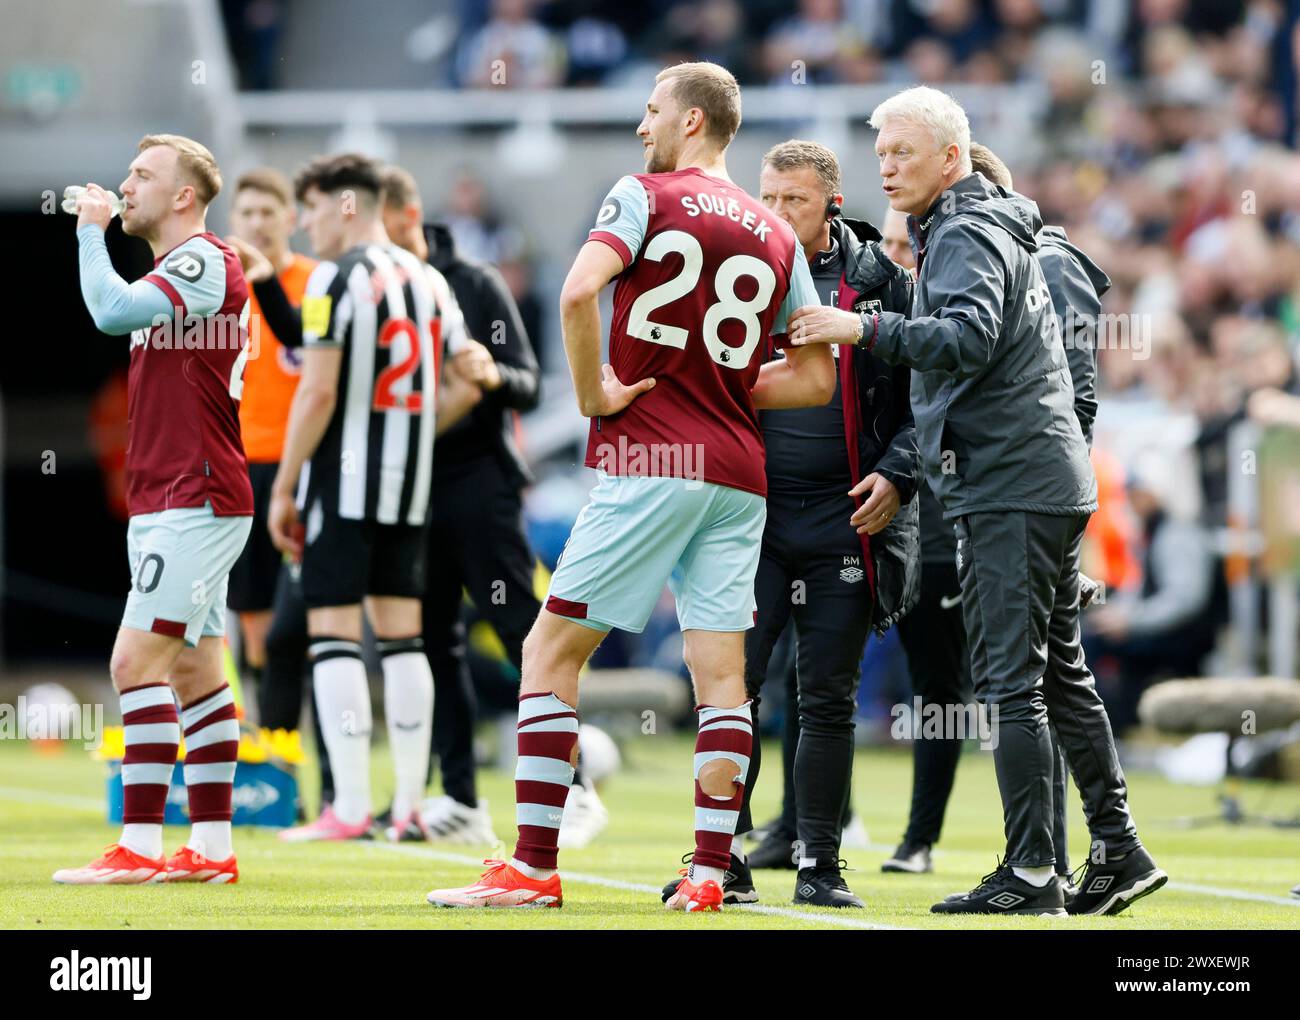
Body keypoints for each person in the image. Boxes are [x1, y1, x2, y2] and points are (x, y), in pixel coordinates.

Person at [427, 61, 835, 911]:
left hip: (651, 457)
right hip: (737, 473)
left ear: (692, 120)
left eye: (652, 112)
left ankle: (533, 867)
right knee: (723, 680)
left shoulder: (645, 195)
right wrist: (723, 387)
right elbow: (815, 381)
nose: (641, 128)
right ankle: (709, 875)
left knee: (548, 652)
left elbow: (580, 292)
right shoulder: (777, 231)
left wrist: (594, 394)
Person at [789, 85, 1167, 917]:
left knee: (1010, 683)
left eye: (904, 153)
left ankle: (1033, 871)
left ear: (952, 157)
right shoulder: (979, 225)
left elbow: (966, 337)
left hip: (1012, 482)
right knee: (1057, 672)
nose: (887, 168)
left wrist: (862, 328)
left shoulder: (963, 231)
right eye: (881, 153)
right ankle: (1120, 850)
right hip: (1037, 476)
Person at [668, 139, 917, 908]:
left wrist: (901, 477)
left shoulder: (885, 286)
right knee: (731, 689)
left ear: (832, 207)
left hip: (845, 517)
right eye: (767, 199)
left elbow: (930, 408)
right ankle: (722, 856)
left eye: (794, 203)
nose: (774, 215)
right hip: (751, 516)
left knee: (827, 696)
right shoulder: (734, 274)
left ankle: (820, 865)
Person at [57, 135, 253, 884]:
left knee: (134, 663)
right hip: (176, 494)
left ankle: (137, 848)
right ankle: (210, 849)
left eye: (143, 175)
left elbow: (109, 311)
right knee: (197, 675)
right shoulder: (185, 270)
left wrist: (87, 230)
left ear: (184, 198)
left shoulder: (201, 258)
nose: (124, 185)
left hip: (194, 496)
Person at [271, 154, 469, 842]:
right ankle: (410, 806)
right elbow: (466, 382)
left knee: (332, 632)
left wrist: (287, 481)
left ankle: (351, 806)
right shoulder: (431, 280)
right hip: (407, 486)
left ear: (347, 206)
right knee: (403, 638)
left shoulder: (333, 278)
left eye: (314, 208)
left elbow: (319, 389)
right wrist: (407, 431)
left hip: (342, 483)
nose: (306, 224)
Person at [378, 163, 548, 846]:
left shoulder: (471, 282)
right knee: (433, 643)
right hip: (411, 489)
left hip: (480, 484)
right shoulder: (373, 288)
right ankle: (459, 798)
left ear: (406, 215)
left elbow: (527, 384)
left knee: (521, 633)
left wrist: (492, 372)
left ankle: (572, 780)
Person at [223, 169, 316, 722]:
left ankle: (309, 741)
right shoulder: (222, 292)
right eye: (247, 214)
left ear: (291, 218)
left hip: (303, 469)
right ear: (233, 222)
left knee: (298, 624)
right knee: (253, 623)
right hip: (239, 469)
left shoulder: (317, 282)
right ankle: (267, 742)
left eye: (267, 212)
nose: (257, 223)